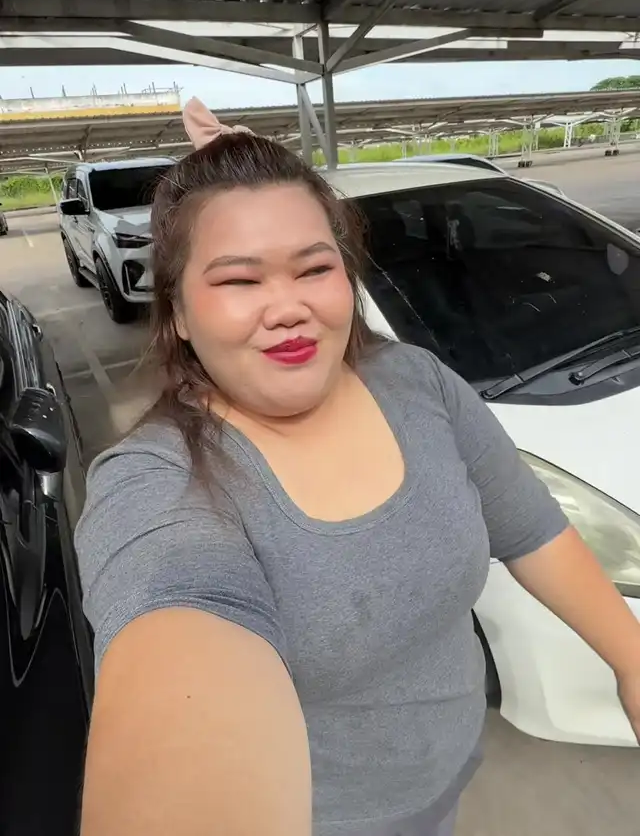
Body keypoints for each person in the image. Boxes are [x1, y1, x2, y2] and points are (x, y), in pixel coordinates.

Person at [75, 97, 640, 836]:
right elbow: (175, 647)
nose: (287, 307)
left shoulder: (416, 381)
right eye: (240, 281)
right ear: (177, 311)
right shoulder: (156, 484)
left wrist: (631, 659)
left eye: (314, 267)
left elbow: (532, 529)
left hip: (449, 780)